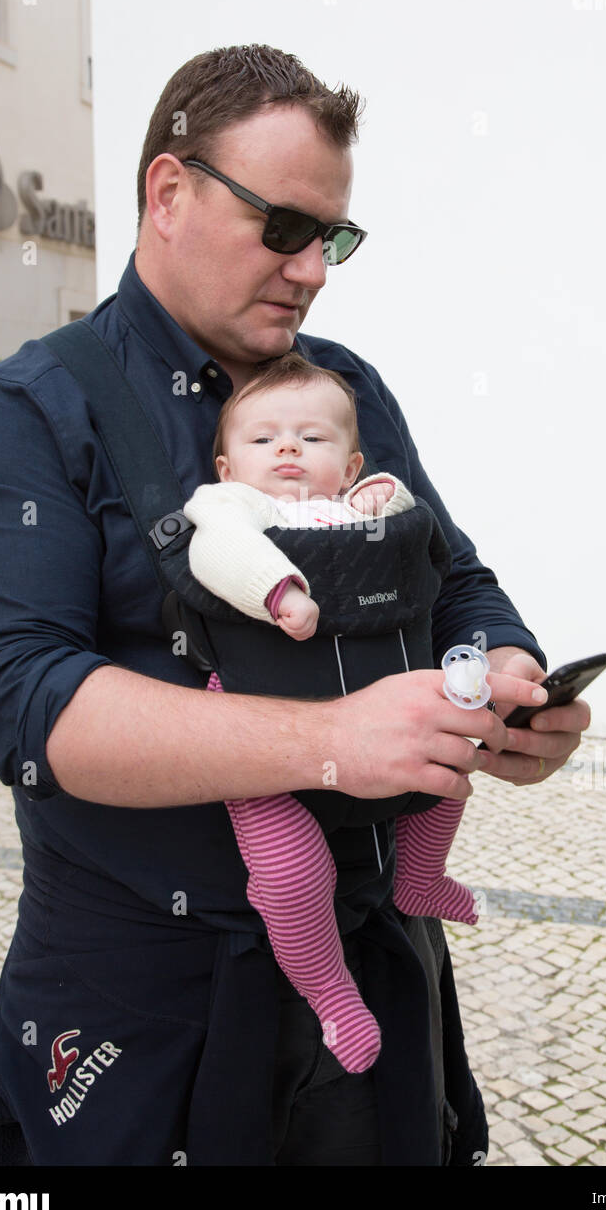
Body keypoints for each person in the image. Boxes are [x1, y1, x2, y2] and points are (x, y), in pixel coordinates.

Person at [0, 43, 590, 1167]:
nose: (313, 269)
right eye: (283, 227)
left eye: (331, 238)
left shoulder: (344, 388)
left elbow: (456, 580)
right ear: (168, 191)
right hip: (140, 1009)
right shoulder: (33, 409)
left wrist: (508, 673)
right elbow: (20, 705)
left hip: (371, 976)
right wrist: (330, 742)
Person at [182, 350, 486, 1077]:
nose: (287, 448)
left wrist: (387, 502)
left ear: (348, 466)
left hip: (376, 699)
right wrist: (280, 592)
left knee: (447, 764)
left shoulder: (359, 503)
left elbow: (425, 542)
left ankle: (420, 872)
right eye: (263, 439)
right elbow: (216, 550)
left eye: (311, 439)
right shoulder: (234, 505)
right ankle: (331, 994)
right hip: (258, 720)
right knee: (289, 876)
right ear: (228, 466)